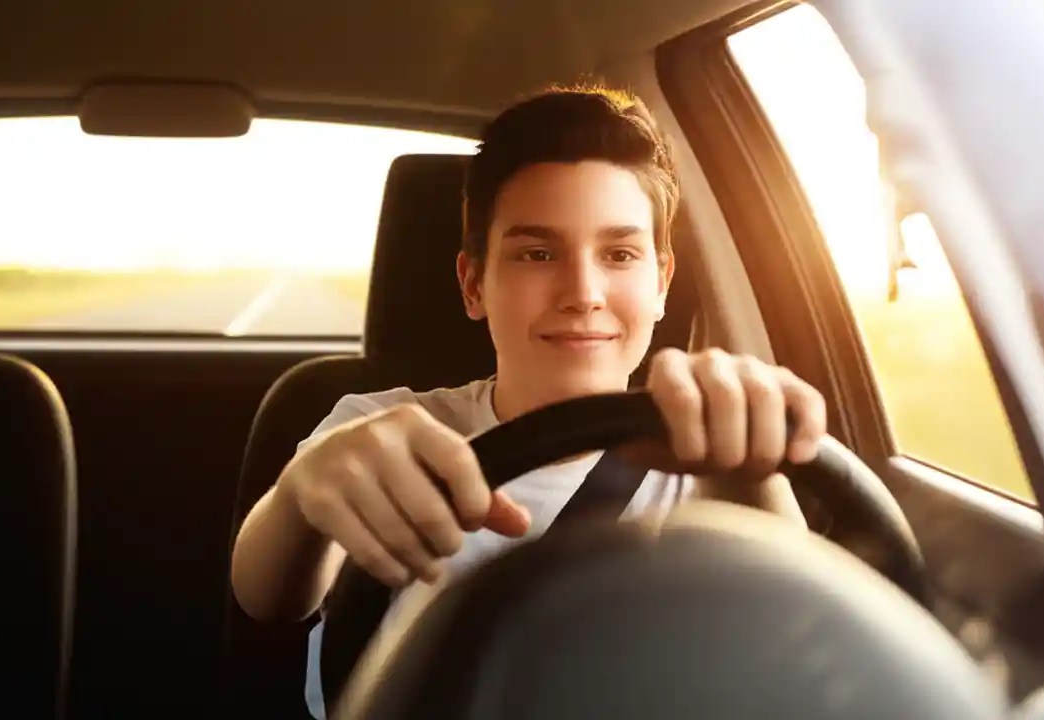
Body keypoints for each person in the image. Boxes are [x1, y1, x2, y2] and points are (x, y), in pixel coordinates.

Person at [229, 84, 826, 718]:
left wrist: (756, 471)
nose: (583, 291)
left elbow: (798, 644)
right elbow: (269, 595)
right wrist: (301, 496)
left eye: (619, 254)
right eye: (537, 253)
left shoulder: (712, 466)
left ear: (661, 282)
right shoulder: (383, 428)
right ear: (473, 284)